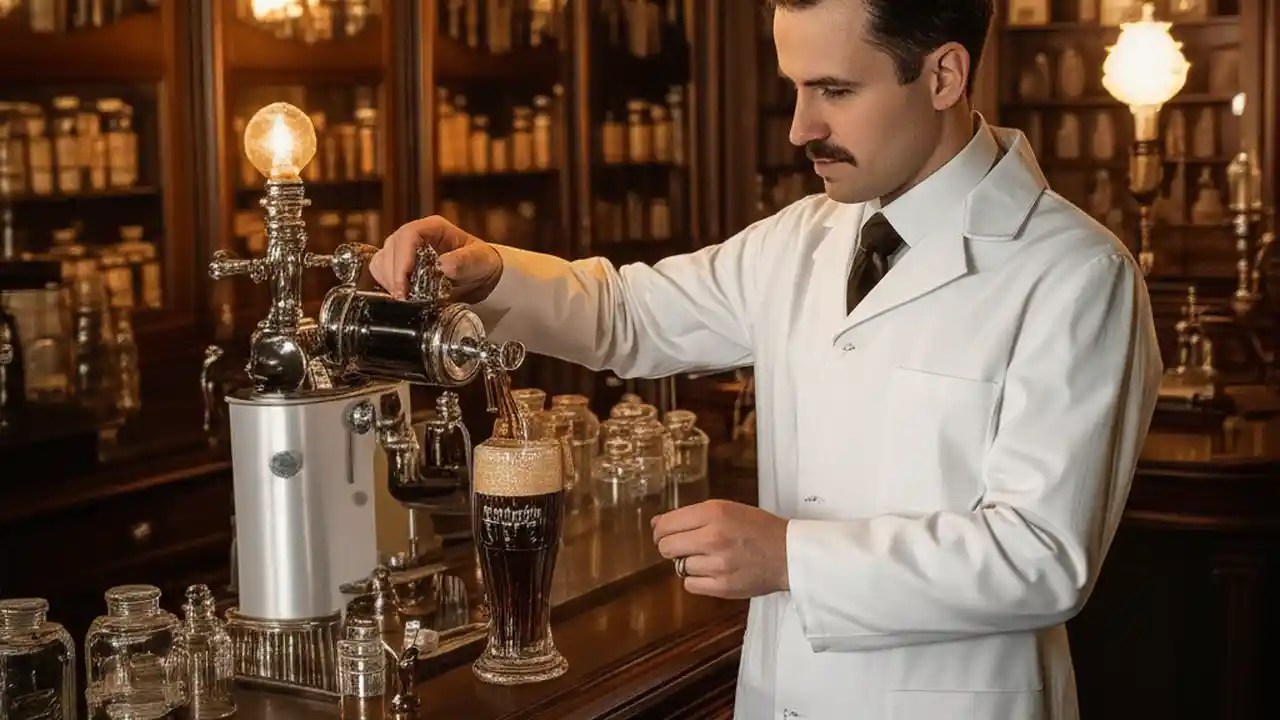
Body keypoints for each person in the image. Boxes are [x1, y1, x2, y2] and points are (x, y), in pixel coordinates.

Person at [370, 0, 1162, 717]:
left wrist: (790, 556)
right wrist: (494, 269)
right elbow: (627, 316)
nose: (799, 127)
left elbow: (1041, 557)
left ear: (944, 75)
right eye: (794, 87)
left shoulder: (1075, 274)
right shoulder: (805, 236)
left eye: (834, 90)